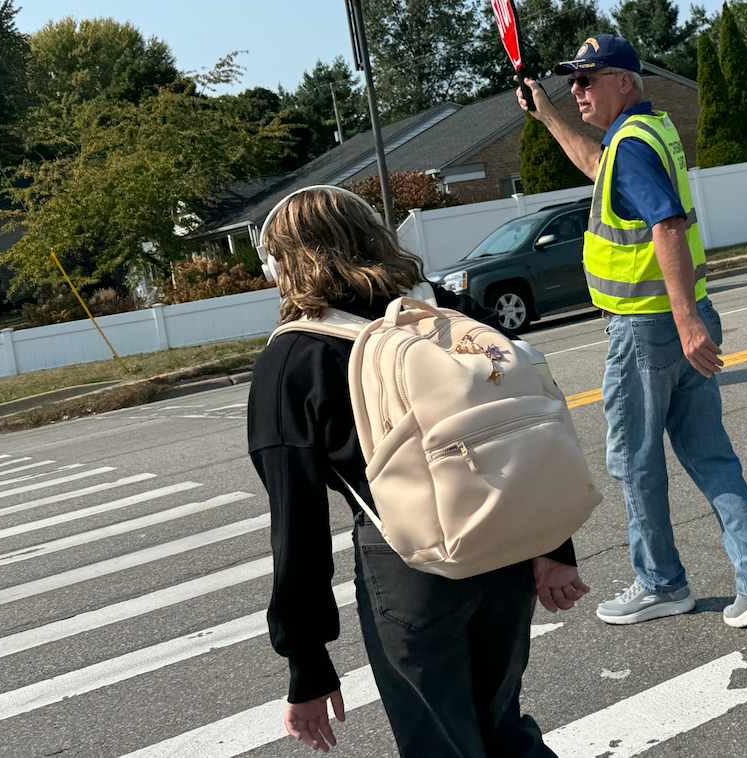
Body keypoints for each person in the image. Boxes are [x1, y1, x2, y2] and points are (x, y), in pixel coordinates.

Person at [247, 185, 588, 757]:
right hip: (506, 539)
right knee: (502, 725)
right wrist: (554, 548)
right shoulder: (451, 314)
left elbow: (297, 528)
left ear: (281, 265)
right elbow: (524, 435)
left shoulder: (292, 359)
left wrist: (306, 663)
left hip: (409, 561)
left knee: (440, 744)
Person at [517, 34, 747, 629]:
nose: (577, 89)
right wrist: (547, 114)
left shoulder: (633, 146)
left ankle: (662, 583)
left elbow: (666, 223)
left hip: (649, 331)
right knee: (712, 456)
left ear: (624, 81)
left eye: (587, 80)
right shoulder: (643, 134)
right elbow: (596, 164)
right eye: (572, 81)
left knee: (633, 462)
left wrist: (687, 322)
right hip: (680, 319)